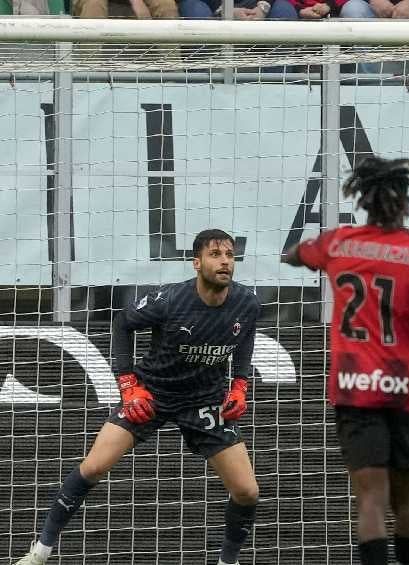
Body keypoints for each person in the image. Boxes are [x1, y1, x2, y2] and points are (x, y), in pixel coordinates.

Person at [16, 229, 261, 565]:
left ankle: (227, 562)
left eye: (230, 255)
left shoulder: (247, 302)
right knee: (94, 466)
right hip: (154, 393)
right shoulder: (170, 300)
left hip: (204, 400)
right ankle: (40, 552)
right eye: (215, 255)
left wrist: (240, 384)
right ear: (196, 262)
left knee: (247, 491)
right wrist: (129, 384)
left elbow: (246, 336)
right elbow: (122, 323)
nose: (225, 262)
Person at [281, 157, 409, 565]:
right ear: (406, 202)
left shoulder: (338, 243)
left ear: (363, 200)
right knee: (407, 500)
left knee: (371, 502)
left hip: (355, 386)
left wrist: (303, 258)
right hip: (407, 387)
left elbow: (293, 254)